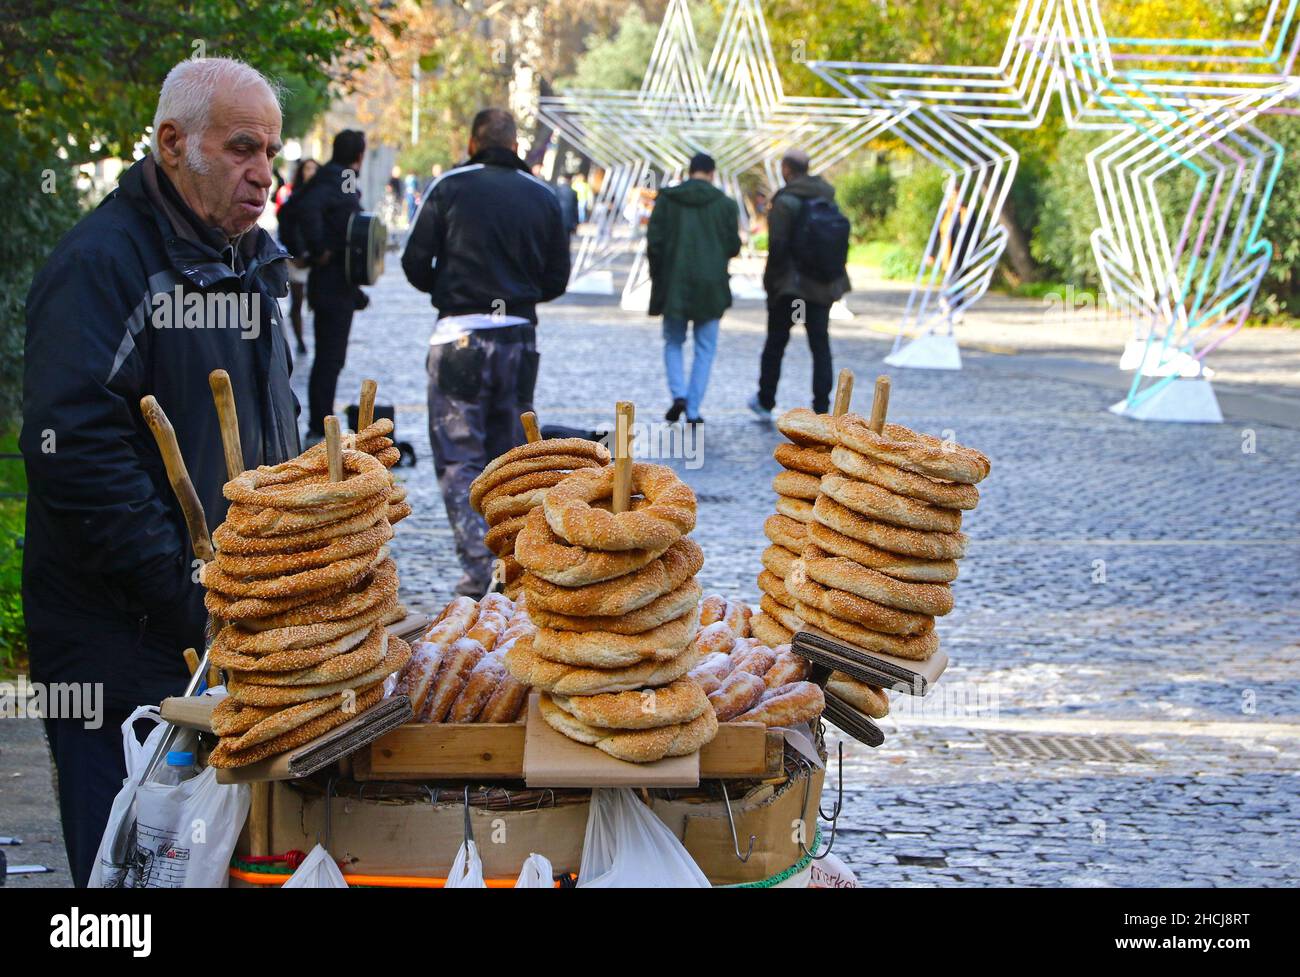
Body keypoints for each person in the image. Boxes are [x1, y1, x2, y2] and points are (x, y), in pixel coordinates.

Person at [21, 57, 299, 886]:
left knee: (210, 863)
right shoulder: (103, 264)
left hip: (217, 634)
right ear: (173, 143)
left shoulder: (247, 258)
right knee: (127, 873)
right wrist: (192, 586)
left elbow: (262, 435)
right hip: (124, 645)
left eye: (271, 154)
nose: (263, 174)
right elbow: (72, 449)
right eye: (243, 148)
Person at [402, 108, 569, 596]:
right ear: (514, 144)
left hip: (460, 335)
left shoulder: (449, 187)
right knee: (509, 456)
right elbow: (557, 277)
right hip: (518, 335)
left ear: (473, 142)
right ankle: (509, 563)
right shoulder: (542, 195)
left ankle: (479, 568)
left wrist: (450, 292)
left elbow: (414, 259)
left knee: (459, 455)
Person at [748, 149, 851, 419]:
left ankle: (766, 399)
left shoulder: (786, 201)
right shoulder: (827, 196)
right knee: (820, 346)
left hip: (791, 290)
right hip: (822, 288)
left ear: (786, 169)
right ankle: (822, 407)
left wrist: (771, 285)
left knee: (776, 344)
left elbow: (778, 247)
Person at [646, 153, 740, 425]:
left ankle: (678, 394)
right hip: (711, 288)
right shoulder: (725, 205)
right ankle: (694, 408)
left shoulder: (667, 200)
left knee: (673, 341)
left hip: (674, 284)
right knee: (705, 347)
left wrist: (659, 276)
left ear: (690, 171)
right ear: (712, 173)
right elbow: (733, 246)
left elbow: (654, 243)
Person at [297, 129, 367, 444]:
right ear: (359, 156)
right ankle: (319, 424)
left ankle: (320, 420)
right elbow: (310, 211)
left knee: (329, 357)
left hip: (335, 281)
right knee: (329, 357)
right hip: (333, 282)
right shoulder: (342, 178)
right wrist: (317, 248)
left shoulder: (327, 176)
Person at [278, 156, 318, 354]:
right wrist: (297, 252)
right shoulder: (295, 199)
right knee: (297, 300)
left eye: (314, 168)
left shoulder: (323, 196)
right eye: (308, 168)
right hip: (297, 257)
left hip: (318, 259)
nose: (311, 172)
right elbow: (286, 224)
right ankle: (300, 340)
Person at [554, 174, 579, 241]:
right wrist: (576, 222)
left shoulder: (555, 189)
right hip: (568, 220)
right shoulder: (573, 192)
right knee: (566, 239)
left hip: (557, 218)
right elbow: (575, 208)